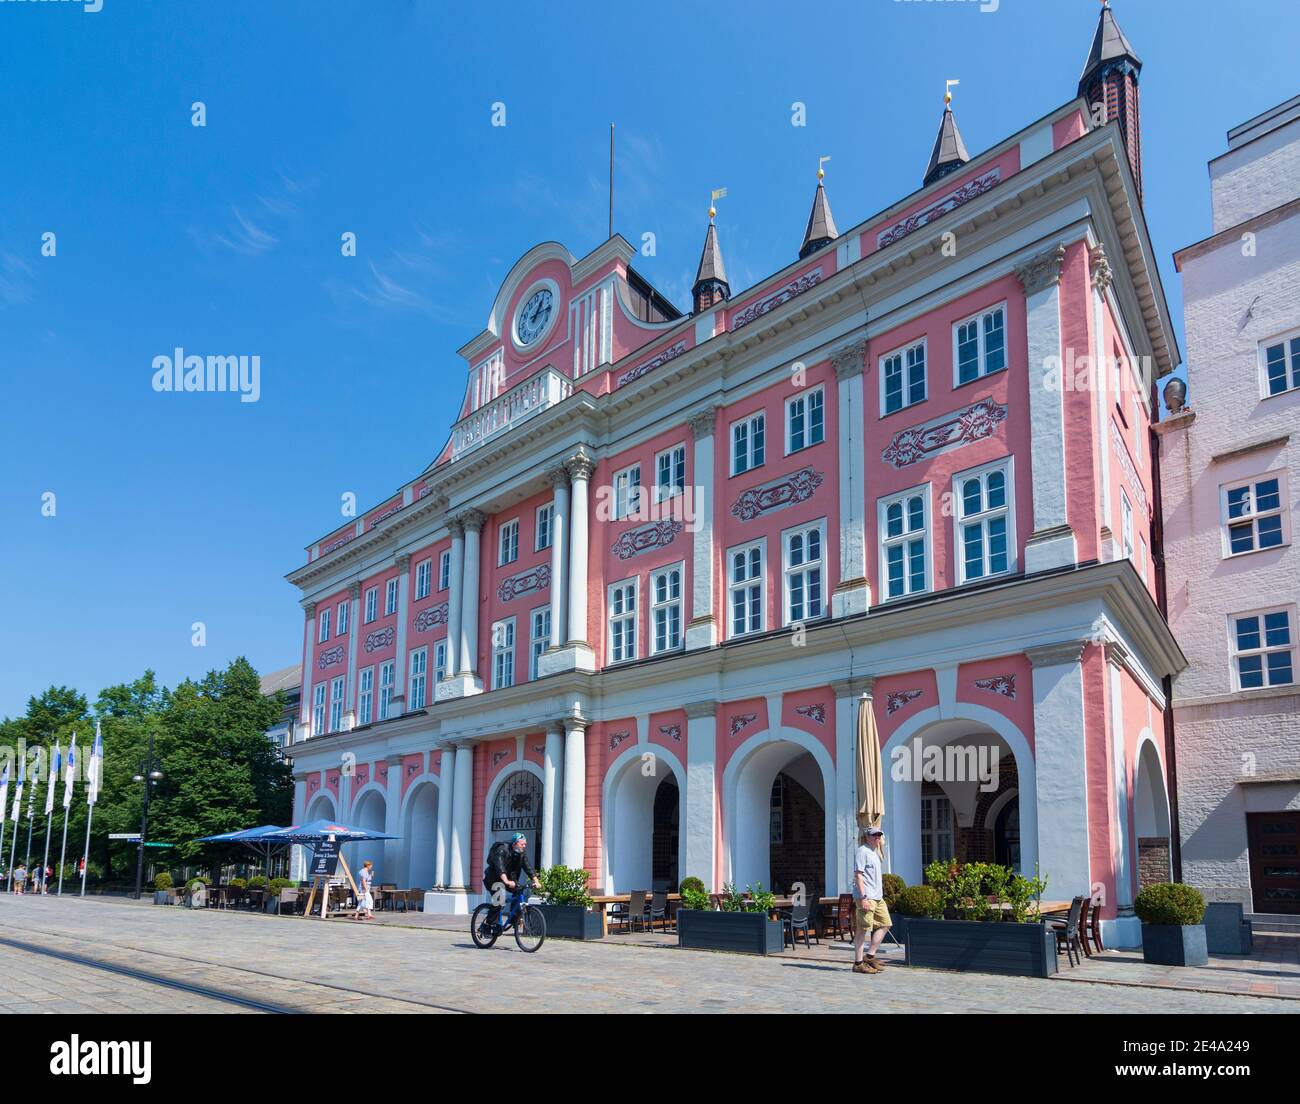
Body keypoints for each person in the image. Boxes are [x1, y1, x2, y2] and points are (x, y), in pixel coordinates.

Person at [852, 826, 891, 975]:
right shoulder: (862, 851)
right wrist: (863, 897)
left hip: (877, 897)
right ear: (867, 836)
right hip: (866, 897)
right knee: (863, 928)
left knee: (885, 923)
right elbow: (859, 875)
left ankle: (869, 956)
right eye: (874, 835)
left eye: (879, 835)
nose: (877, 837)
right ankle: (858, 963)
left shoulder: (875, 852)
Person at [482, 833, 540, 930]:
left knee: (519, 891)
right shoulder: (501, 849)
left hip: (508, 880)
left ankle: (514, 918)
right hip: (493, 879)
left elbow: (528, 867)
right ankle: (489, 925)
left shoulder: (520, 854)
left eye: (525, 844)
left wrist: (536, 881)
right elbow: (499, 867)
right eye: (522, 844)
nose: (524, 846)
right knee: (499, 900)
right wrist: (507, 881)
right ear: (515, 844)